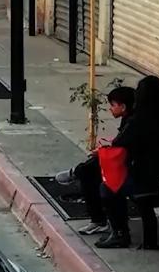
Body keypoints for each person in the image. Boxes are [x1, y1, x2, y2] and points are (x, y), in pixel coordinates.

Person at [97, 75, 159, 249]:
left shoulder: (141, 118)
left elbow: (121, 142)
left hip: (146, 179)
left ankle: (120, 233)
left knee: (108, 188)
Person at [55, 86, 136, 236]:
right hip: (126, 163)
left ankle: (77, 173)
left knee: (90, 172)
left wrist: (103, 151)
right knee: (91, 168)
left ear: (123, 106)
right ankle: (78, 173)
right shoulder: (129, 119)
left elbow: (121, 146)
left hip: (131, 168)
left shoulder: (133, 122)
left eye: (113, 105)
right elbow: (119, 143)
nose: (110, 109)